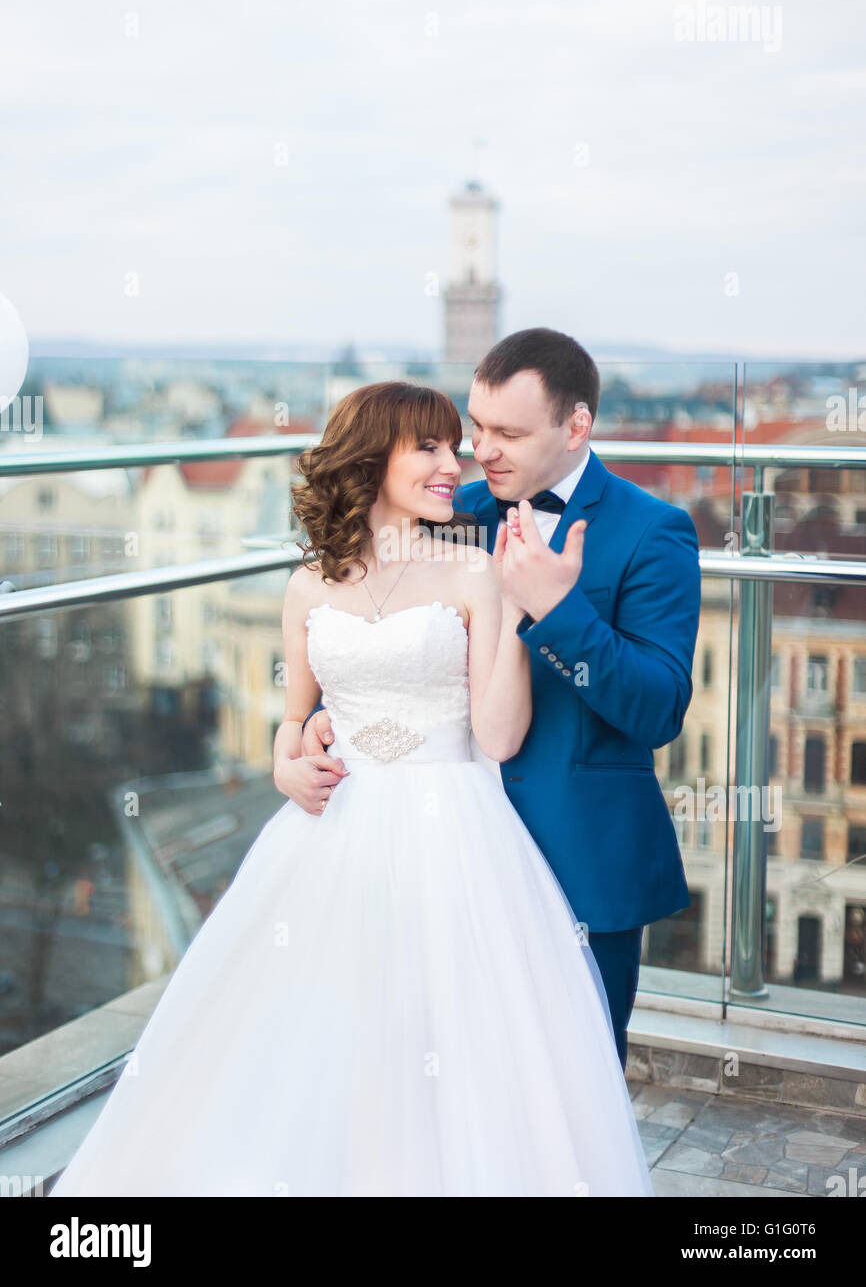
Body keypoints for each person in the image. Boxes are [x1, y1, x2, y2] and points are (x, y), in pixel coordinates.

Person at [49, 377, 652, 1197]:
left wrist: (519, 611)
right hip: (335, 830)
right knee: (330, 1032)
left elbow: (502, 736)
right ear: (372, 461)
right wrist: (283, 759)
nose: (456, 463)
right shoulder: (307, 587)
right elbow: (296, 719)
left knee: (441, 1044)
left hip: (456, 831)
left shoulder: (475, 572)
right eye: (431, 447)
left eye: (454, 443)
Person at [303, 328, 702, 1069]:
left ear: (576, 426)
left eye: (508, 433)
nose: (480, 451)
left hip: (578, 852)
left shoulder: (655, 532)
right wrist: (303, 736)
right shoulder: (450, 509)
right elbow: (370, 635)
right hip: (436, 849)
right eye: (476, 426)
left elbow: (658, 710)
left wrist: (559, 613)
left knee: (574, 1083)